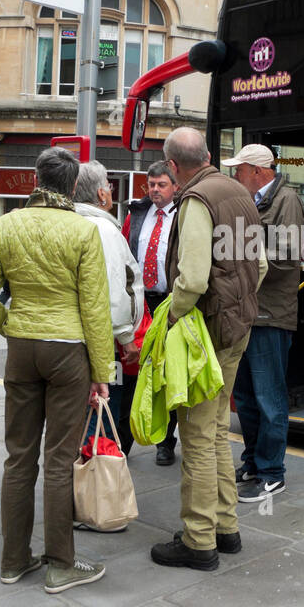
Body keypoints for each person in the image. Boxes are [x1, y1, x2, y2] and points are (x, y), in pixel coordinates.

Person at [0, 147, 115, 592]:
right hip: (67, 351)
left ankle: (13, 560)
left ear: (35, 179)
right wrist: (102, 371)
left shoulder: (8, 224)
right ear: (73, 186)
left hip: (23, 348)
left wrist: (11, 324)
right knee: (59, 460)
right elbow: (95, 308)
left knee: (19, 456)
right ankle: (61, 564)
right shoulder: (83, 230)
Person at [149, 128, 267, 572]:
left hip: (208, 331)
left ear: (174, 168)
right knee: (218, 429)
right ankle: (225, 527)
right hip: (239, 327)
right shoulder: (240, 193)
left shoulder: (197, 200)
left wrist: (174, 315)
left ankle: (199, 540)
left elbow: (193, 278)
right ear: (210, 156)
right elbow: (261, 264)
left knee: (197, 435)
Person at [223, 144, 304, 503]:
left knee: (269, 398)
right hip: (248, 314)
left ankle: (272, 473)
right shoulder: (252, 202)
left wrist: (241, 261)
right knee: (245, 397)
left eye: (239, 170)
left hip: (271, 315)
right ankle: (254, 463)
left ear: (257, 171)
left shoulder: (287, 200)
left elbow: (290, 257)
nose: (235, 176)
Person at [73, 160, 143, 457]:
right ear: (101, 194)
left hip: (64, 339)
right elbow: (116, 289)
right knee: (102, 408)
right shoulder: (104, 228)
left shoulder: (66, 221)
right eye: (109, 187)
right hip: (102, 341)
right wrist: (126, 337)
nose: (111, 192)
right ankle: (97, 482)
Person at [123, 159, 181, 465]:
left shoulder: (184, 215)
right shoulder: (137, 214)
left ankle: (165, 441)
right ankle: (123, 438)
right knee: (131, 371)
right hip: (138, 302)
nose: (155, 190)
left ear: (175, 186)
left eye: (162, 185)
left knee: (165, 373)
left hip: (169, 302)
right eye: (151, 185)